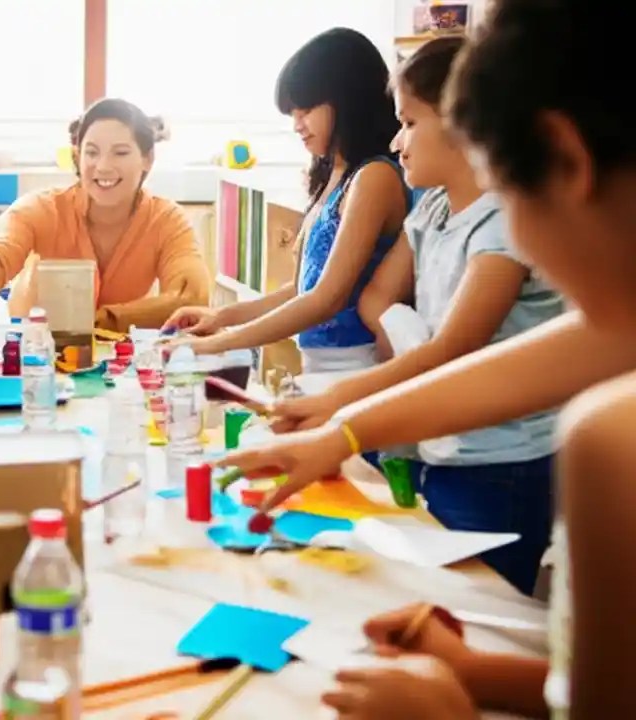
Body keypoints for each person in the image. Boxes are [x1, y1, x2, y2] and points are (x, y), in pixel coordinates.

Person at [230, 2, 636, 716]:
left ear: (565, 162)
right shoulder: (613, 336)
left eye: (501, 186)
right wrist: (474, 676)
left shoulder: (612, 438)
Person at [265, 36, 565, 595]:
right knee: (429, 593)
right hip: (441, 439)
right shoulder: (433, 206)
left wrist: (335, 401)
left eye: (409, 123)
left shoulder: (502, 224)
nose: (397, 141)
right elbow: (377, 299)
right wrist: (411, 336)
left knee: (478, 603)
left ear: (462, 124)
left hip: (500, 461)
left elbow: (451, 350)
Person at [165, 28, 410, 373]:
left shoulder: (374, 177)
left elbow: (327, 298)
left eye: (305, 109)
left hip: (358, 364)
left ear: (347, 99)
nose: (297, 124)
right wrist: (221, 318)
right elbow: (300, 288)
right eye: (292, 112)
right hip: (320, 366)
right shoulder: (335, 175)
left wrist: (218, 343)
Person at [0, 97, 210, 331]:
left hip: (116, 366)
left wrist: (95, 322)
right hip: (36, 358)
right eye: (91, 152)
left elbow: (190, 299)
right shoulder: (39, 209)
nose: (103, 166)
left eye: (120, 153)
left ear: (147, 159)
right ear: (78, 157)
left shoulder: (167, 219)